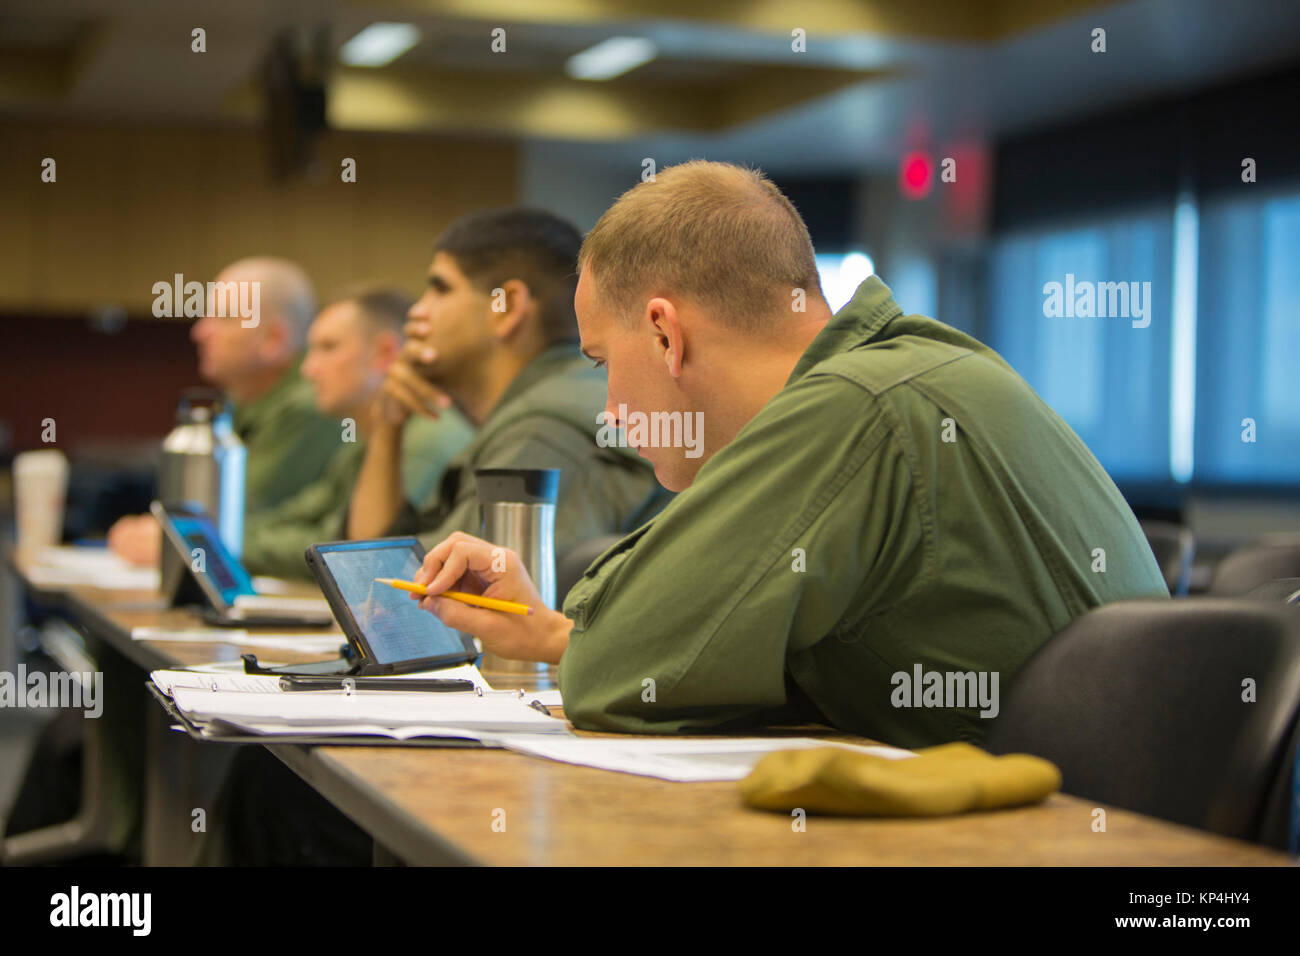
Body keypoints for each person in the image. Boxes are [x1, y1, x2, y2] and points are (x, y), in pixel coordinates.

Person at [407, 161, 1171, 749]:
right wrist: (546, 632)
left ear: (667, 334)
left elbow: (619, 676)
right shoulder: (905, 370)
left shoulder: (853, 405)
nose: (608, 410)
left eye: (604, 362)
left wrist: (589, 643)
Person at [345, 207, 670, 560]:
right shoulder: (550, 402)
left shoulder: (544, 433)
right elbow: (368, 562)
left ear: (508, 306)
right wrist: (388, 430)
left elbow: (414, 589)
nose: (417, 311)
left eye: (440, 289)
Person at [108, 257, 340, 565]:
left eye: (223, 317)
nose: (200, 331)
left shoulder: (313, 406)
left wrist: (178, 540)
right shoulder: (245, 404)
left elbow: (229, 516)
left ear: (273, 339)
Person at [240, 288, 474, 578]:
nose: (308, 370)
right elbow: (303, 513)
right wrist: (219, 539)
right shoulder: (361, 436)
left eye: (328, 347)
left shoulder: (428, 437)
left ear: (384, 353)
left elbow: (351, 552)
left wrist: (223, 545)